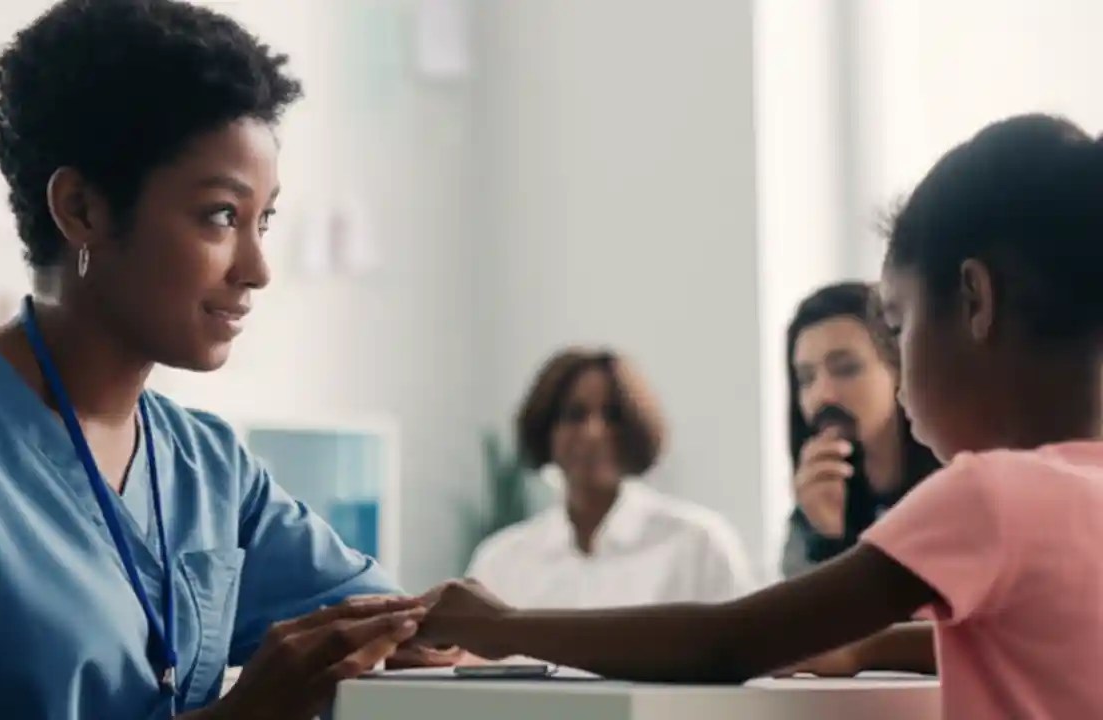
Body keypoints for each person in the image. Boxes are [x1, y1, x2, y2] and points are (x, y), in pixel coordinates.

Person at [0, 2, 450, 719]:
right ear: (82, 208)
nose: (257, 268)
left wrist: (523, 624)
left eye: (263, 221)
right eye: (221, 215)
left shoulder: (206, 466)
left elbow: (404, 630)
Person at [418, 113, 1103, 718]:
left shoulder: (989, 497)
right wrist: (861, 644)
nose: (896, 373)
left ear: (974, 300)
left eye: (896, 325)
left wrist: (504, 626)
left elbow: (726, 640)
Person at [467, 348, 754, 608]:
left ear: (636, 427)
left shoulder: (698, 543)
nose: (593, 433)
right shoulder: (500, 562)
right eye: (574, 415)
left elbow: (745, 653)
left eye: (613, 416)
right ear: (545, 429)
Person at [782, 282, 940, 577]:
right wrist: (827, 539)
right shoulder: (812, 511)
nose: (822, 395)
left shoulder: (954, 491)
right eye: (806, 378)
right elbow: (808, 621)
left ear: (899, 370)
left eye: (845, 369)